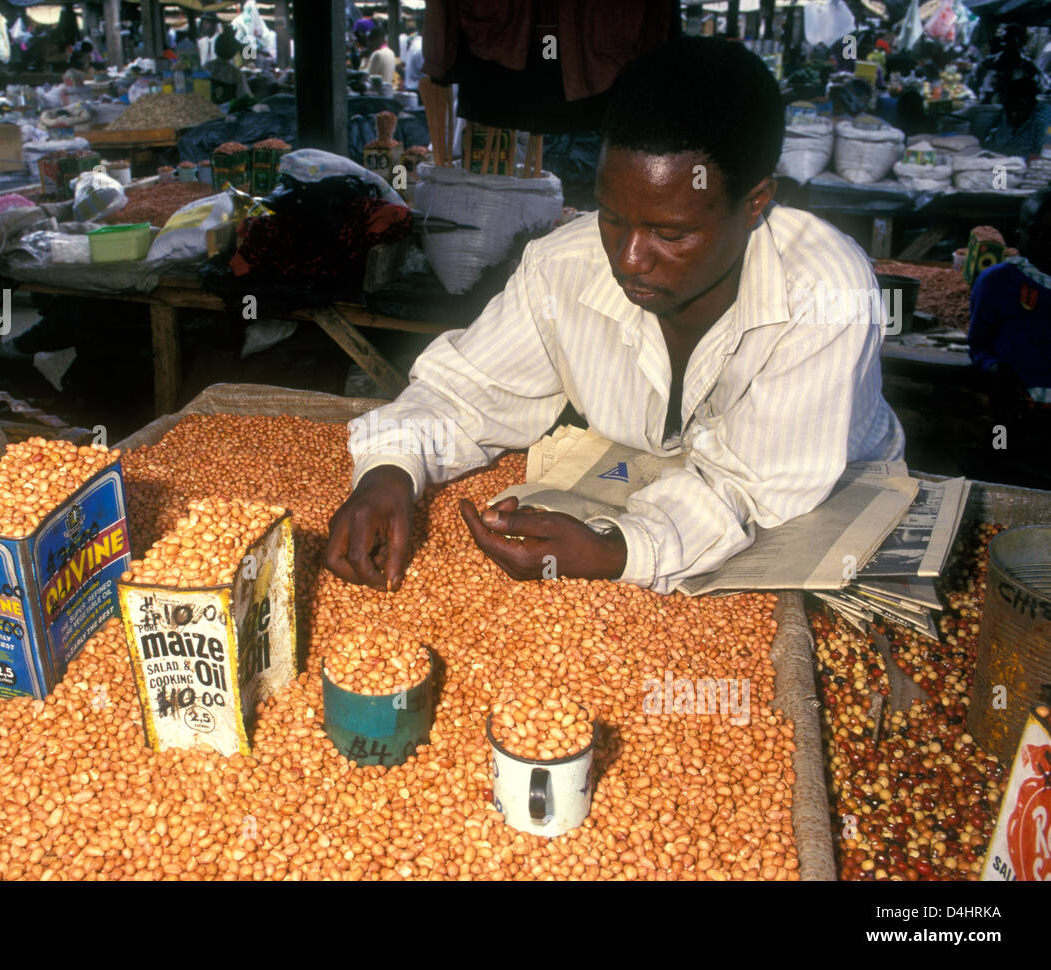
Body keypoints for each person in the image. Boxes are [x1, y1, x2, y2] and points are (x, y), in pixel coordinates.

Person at [325, 37, 905, 594]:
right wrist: (390, 470)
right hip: (658, 479)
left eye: (670, 232)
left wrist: (616, 549)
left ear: (754, 203)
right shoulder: (564, 266)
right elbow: (466, 393)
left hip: (819, 501)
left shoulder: (821, 289)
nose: (628, 258)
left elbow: (753, 487)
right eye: (611, 215)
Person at [969, 191, 1051, 435]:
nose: (1045, 240)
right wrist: (995, 369)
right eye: (1035, 230)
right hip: (1019, 416)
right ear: (1019, 234)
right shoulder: (998, 282)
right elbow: (979, 346)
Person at [984, 75, 1051, 156]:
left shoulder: (1045, 118)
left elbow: (1046, 153)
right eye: (1010, 102)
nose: (1013, 110)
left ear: (1032, 101)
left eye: (1019, 104)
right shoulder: (1009, 110)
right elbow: (997, 143)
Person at [365, 27, 396, 97]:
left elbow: (368, 77)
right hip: (388, 94)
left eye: (371, 40)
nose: (369, 44)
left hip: (377, 96)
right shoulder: (391, 52)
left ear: (379, 39)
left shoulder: (377, 54)